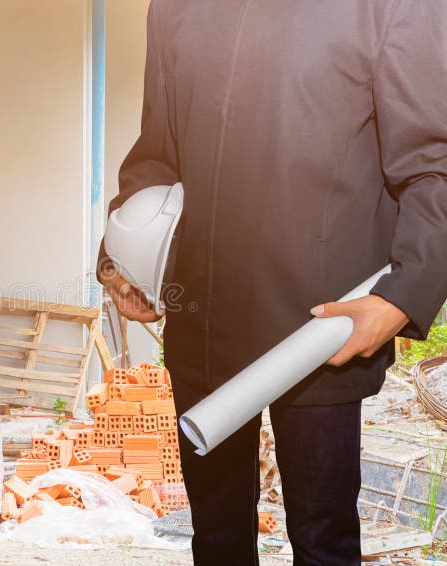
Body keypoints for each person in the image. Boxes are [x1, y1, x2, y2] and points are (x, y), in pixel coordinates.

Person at [97, 1, 447, 564]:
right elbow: (156, 156)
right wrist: (121, 257)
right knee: (215, 540)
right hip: (204, 314)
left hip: (324, 329)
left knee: (322, 540)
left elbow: (434, 164)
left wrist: (399, 299)